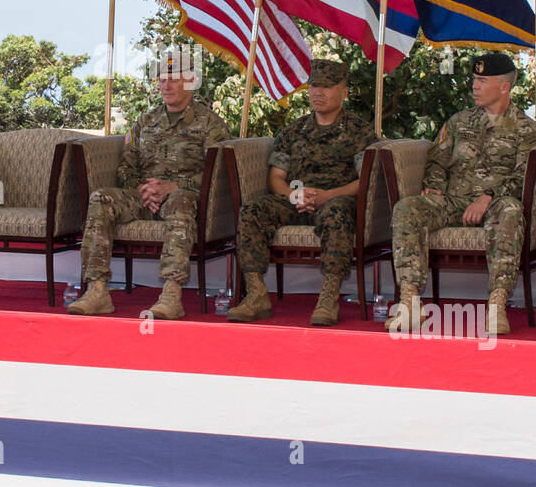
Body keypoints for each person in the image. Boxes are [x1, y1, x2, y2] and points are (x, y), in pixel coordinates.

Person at [386, 52, 536, 335]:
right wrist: (433, 184)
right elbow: (437, 159)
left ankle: (497, 304)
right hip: (453, 200)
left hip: (496, 203)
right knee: (407, 208)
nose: (474, 86)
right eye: (474, 79)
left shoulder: (527, 130)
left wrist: (487, 196)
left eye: (482, 80)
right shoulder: (459, 122)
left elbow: (525, 177)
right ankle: (410, 301)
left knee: (510, 211)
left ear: (504, 87)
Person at [68, 49, 231, 320]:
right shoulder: (145, 122)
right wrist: (142, 188)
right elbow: (126, 165)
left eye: (173, 78)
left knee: (181, 199)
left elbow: (218, 175)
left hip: (184, 200)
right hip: (143, 198)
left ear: (189, 81)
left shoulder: (210, 124)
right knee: (101, 198)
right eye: (161, 79)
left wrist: (173, 185)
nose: (166, 85)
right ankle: (97, 290)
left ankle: (171, 293)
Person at [227, 59, 375, 327]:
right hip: (295, 200)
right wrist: (293, 196)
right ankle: (257, 293)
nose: (318, 93)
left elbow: (365, 182)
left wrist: (326, 196)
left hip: (337, 200)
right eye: (314, 86)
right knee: (252, 210)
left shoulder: (359, 132)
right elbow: (276, 177)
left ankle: (329, 297)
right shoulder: (295, 130)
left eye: (327, 86)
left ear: (344, 92)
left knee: (337, 214)